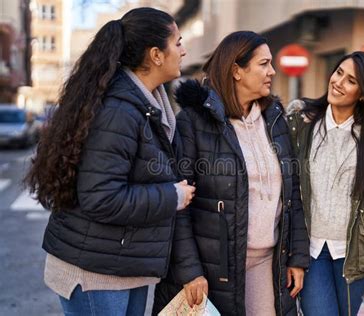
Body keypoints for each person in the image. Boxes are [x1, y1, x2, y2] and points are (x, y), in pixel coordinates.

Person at [24, 7, 195, 315]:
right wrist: (173, 195)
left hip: (123, 264)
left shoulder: (148, 104)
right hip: (95, 272)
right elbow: (101, 197)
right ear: (156, 54)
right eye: (178, 42)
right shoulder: (120, 111)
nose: (184, 51)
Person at [153, 31, 310, 315]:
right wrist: (189, 271)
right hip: (214, 269)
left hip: (269, 263)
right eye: (264, 64)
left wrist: (297, 257)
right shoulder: (194, 122)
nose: (272, 71)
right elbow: (178, 205)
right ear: (237, 70)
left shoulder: (275, 120)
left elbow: (292, 196)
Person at [286, 51, 364, 316]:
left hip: (355, 253)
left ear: (363, 93)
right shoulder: (303, 124)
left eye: (351, 80)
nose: (338, 82)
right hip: (311, 251)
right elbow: (289, 190)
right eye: (338, 72)